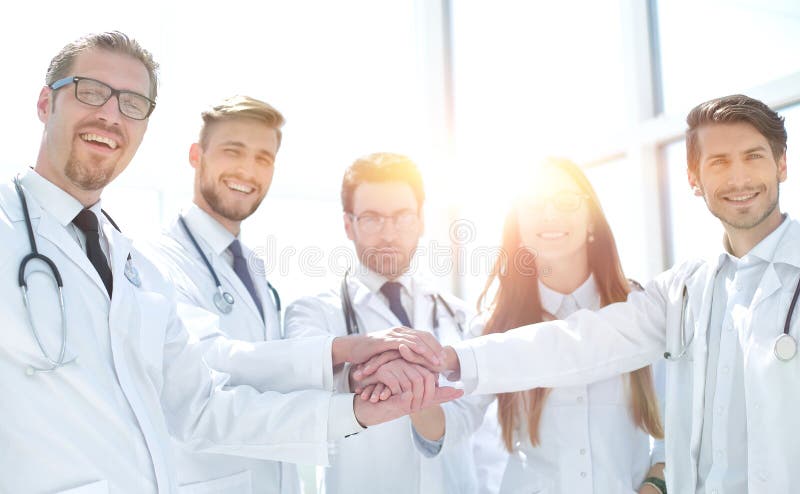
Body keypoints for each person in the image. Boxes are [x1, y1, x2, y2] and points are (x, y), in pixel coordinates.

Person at [0, 31, 459, 494]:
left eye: (132, 104)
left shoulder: (138, 270)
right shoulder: (19, 232)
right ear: (45, 103)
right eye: (91, 92)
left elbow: (201, 408)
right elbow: (215, 356)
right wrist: (339, 350)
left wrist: (356, 412)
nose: (111, 114)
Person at [427, 94, 799, 493]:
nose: (738, 178)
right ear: (694, 179)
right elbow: (577, 343)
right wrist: (450, 359)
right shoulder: (682, 292)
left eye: (753, 156)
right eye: (719, 162)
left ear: (781, 164)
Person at [284, 152, 481, 494]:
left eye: (402, 216)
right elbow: (304, 388)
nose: (389, 234)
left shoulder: (458, 314)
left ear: (420, 220)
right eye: (372, 218)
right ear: (349, 224)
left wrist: (416, 397)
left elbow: (472, 412)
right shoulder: (312, 313)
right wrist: (370, 374)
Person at [466, 158, 665, 493]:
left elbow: (678, 431)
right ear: (519, 226)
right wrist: (412, 384)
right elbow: (450, 420)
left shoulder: (641, 311)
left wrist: (654, 486)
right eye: (533, 204)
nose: (550, 214)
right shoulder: (494, 326)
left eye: (566, 201)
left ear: (592, 221)